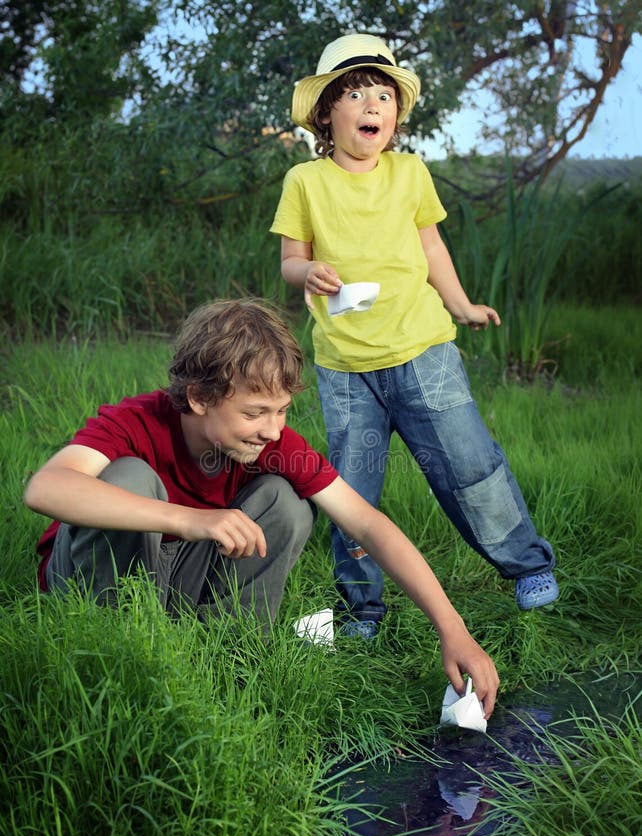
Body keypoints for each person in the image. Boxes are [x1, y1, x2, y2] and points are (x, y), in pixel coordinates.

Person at [24, 299, 499, 716]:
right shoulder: (137, 421)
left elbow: (368, 525)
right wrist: (189, 520)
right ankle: (116, 655)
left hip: (174, 585)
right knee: (129, 477)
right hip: (94, 594)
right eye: (254, 413)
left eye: (283, 410)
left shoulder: (272, 444)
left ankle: (230, 658)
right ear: (199, 398)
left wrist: (452, 628)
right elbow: (45, 488)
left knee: (287, 503)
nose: (272, 430)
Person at [270, 33, 559, 640]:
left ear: (396, 114)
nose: (372, 105)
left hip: (424, 351)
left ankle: (527, 565)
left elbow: (432, 247)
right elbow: (290, 261)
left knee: (471, 466)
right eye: (355, 94)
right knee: (351, 491)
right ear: (326, 111)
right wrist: (308, 271)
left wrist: (461, 304)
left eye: (383, 95)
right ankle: (361, 610)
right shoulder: (305, 181)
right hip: (346, 366)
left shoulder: (409, 173)